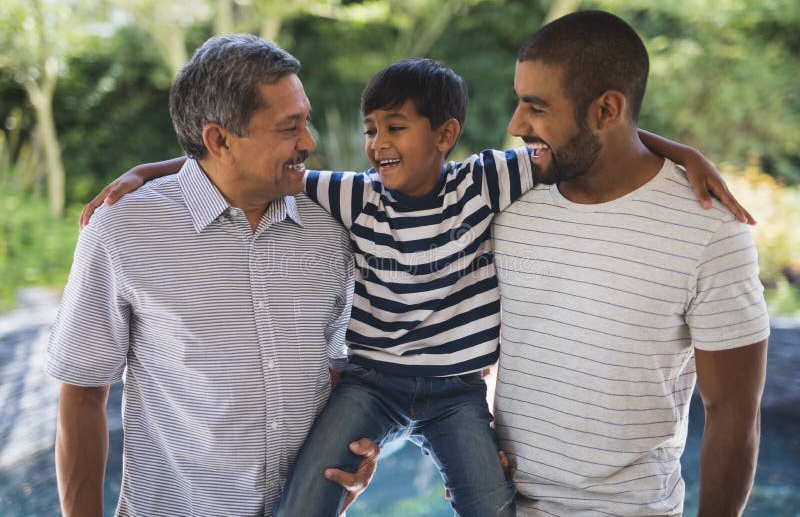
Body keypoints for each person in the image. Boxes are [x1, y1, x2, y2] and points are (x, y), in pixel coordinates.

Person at [81, 53, 752, 516]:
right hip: (373, 382)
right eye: (371, 129)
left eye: (394, 128)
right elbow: (240, 162)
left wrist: (679, 150)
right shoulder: (351, 196)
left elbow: (586, 138)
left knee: (491, 504)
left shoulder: (487, 181)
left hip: (457, 392)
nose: (375, 144)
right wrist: (158, 167)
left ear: (446, 134)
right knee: (308, 497)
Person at [45, 34, 378, 517]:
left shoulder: (332, 224)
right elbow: (81, 390)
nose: (309, 143)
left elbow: (336, 368)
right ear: (219, 140)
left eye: (305, 121)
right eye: (290, 128)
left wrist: (359, 455)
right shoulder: (124, 229)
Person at [491, 10, 769, 515]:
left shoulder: (710, 231)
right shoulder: (508, 197)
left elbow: (733, 414)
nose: (515, 125)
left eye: (536, 107)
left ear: (606, 110)